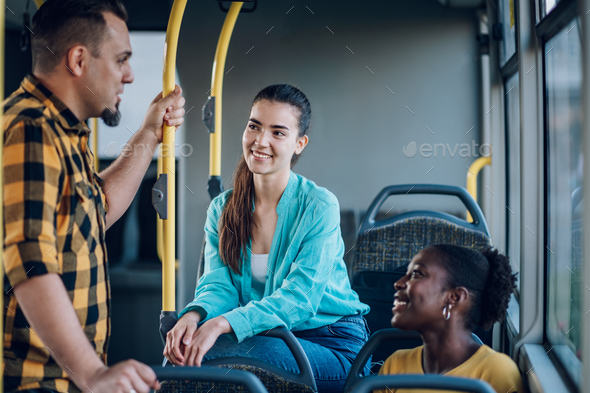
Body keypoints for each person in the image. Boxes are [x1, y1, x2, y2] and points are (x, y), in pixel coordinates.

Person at [2, 1, 185, 392]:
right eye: (121, 60)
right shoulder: (29, 129)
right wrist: (93, 373)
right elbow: (29, 259)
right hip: (35, 382)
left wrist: (150, 132)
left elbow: (96, 212)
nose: (130, 76)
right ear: (79, 59)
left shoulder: (64, 132)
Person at [163, 84, 370, 393]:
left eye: (278, 132)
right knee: (182, 354)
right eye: (254, 127)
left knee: (207, 355)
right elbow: (218, 286)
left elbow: (300, 298)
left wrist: (221, 324)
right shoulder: (222, 208)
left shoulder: (319, 206)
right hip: (267, 338)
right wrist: (194, 315)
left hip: (332, 346)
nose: (261, 141)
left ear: (299, 144)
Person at [377, 244, 525, 393]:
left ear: (454, 297)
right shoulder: (395, 365)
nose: (398, 283)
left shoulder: (495, 371)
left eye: (416, 274)